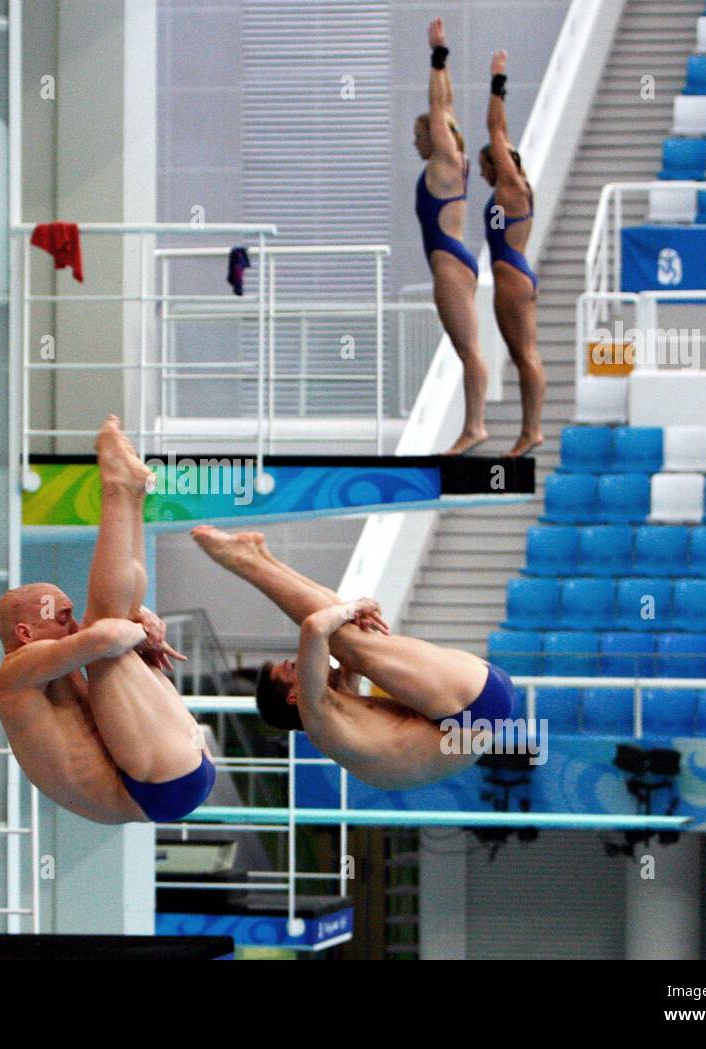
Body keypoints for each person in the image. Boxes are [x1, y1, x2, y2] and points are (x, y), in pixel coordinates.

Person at [0, 417, 215, 823]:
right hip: (154, 787)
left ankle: (128, 493)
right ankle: (118, 489)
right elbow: (104, 636)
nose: (71, 622)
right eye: (59, 617)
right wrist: (138, 629)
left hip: (168, 770)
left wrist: (140, 630)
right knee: (107, 627)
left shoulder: (56, 659)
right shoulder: (14, 676)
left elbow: (110, 635)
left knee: (114, 622)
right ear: (24, 632)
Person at [192, 526, 517, 789]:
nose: (296, 662)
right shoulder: (320, 720)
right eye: (290, 670)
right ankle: (243, 562)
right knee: (345, 638)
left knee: (349, 635)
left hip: (474, 712)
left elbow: (336, 629)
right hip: (470, 713)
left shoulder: (339, 707)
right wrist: (356, 606)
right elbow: (315, 626)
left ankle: (261, 559)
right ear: (294, 696)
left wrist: (354, 613)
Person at [415, 16, 487, 456]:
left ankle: (475, 426)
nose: (414, 143)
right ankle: (473, 425)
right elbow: (448, 108)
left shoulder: (444, 156)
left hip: (450, 264)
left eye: (416, 135)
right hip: (455, 259)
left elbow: (440, 109)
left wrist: (438, 54)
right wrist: (442, 65)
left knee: (469, 350)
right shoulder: (453, 155)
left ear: (434, 135)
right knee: (467, 349)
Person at [481, 49, 546, 458]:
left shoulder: (511, 186)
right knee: (523, 354)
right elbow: (501, 133)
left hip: (512, 275)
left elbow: (494, 128)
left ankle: (531, 431)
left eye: (488, 166)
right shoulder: (514, 187)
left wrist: (497, 80)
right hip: (516, 273)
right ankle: (530, 430)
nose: (483, 173)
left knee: (524, 356)